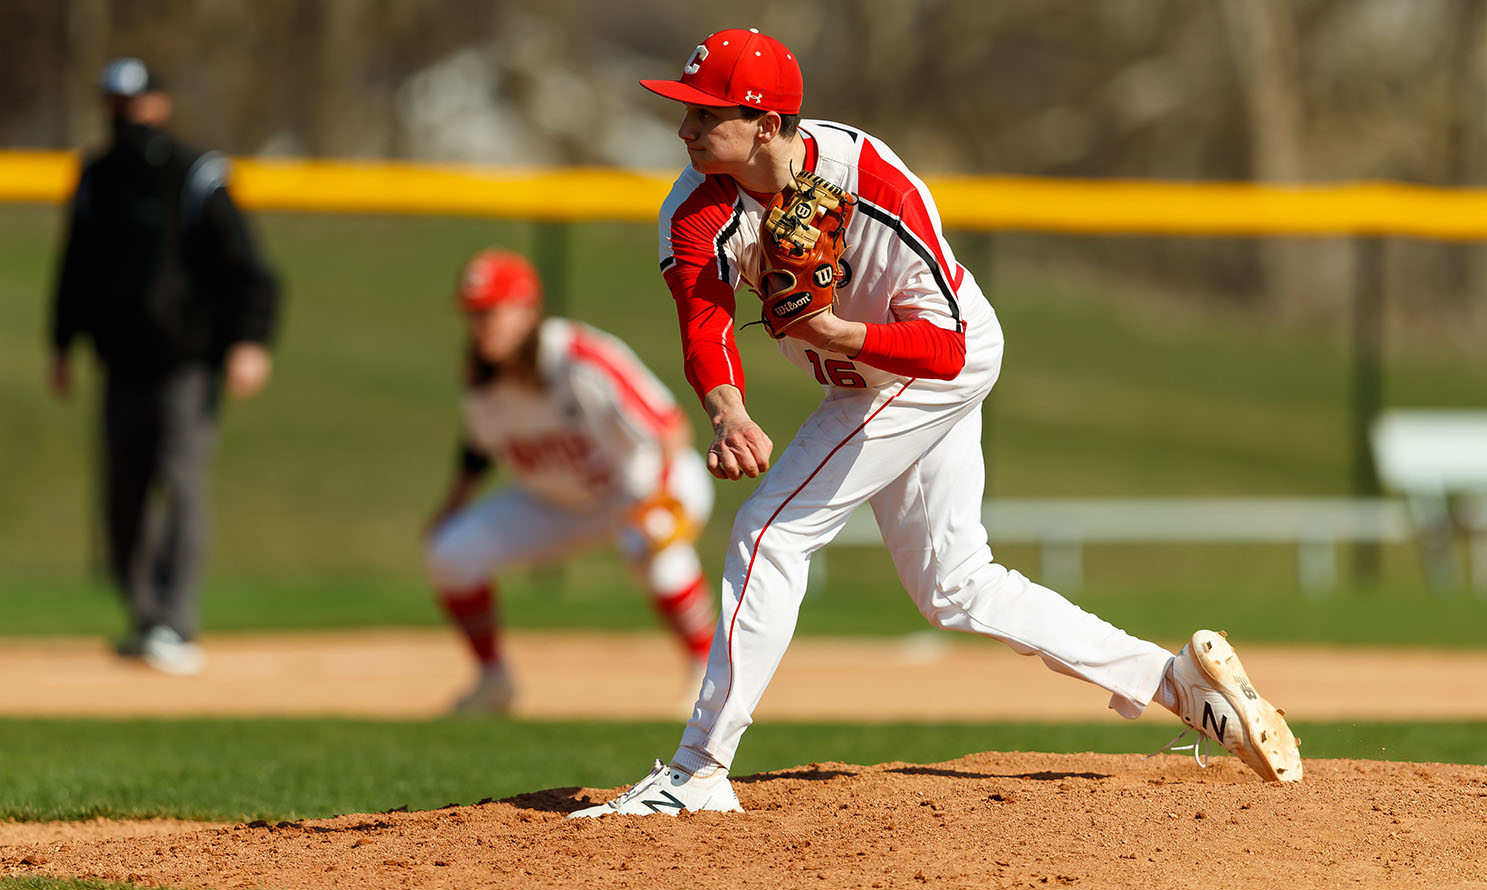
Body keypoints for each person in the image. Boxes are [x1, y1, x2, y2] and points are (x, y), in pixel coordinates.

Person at [570, 28, 1302, 817]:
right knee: (953, 585)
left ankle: (698, 770)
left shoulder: (872, 181)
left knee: (773, 532)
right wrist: (729, 409)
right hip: (863, 379)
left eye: (704, 116)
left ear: (766, 125)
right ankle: (1175, 683)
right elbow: (703, 321)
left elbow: (948, 350)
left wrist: (834, 335)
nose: (683, 130)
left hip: (933, 362)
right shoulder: (692, 208)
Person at [48, 57, 279, 676]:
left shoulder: (197, 175)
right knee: (121, 499)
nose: (127, 118)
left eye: (136, 104)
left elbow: (248, 267)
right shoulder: (96, 178)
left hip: (187, 364)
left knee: (180, 487)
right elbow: (74, 266)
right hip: (120, 363)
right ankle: (146, 618)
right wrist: (60, 343)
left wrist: (249, 340)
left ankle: (175, 623)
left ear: (161, 105)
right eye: (116, 107)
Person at [424, 247, 717, 715]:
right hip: (555, 501)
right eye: (472, 315)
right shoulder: (481, 376)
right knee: (449, 553)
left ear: (526, 309)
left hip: (642, 483)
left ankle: (709, 674)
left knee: (655, 548)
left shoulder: (581, 357)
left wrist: (661, 496)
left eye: (489, 313)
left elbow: (670, 426)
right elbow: (478, 448)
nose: (479, 325)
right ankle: (494, 682)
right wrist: (453, 502)